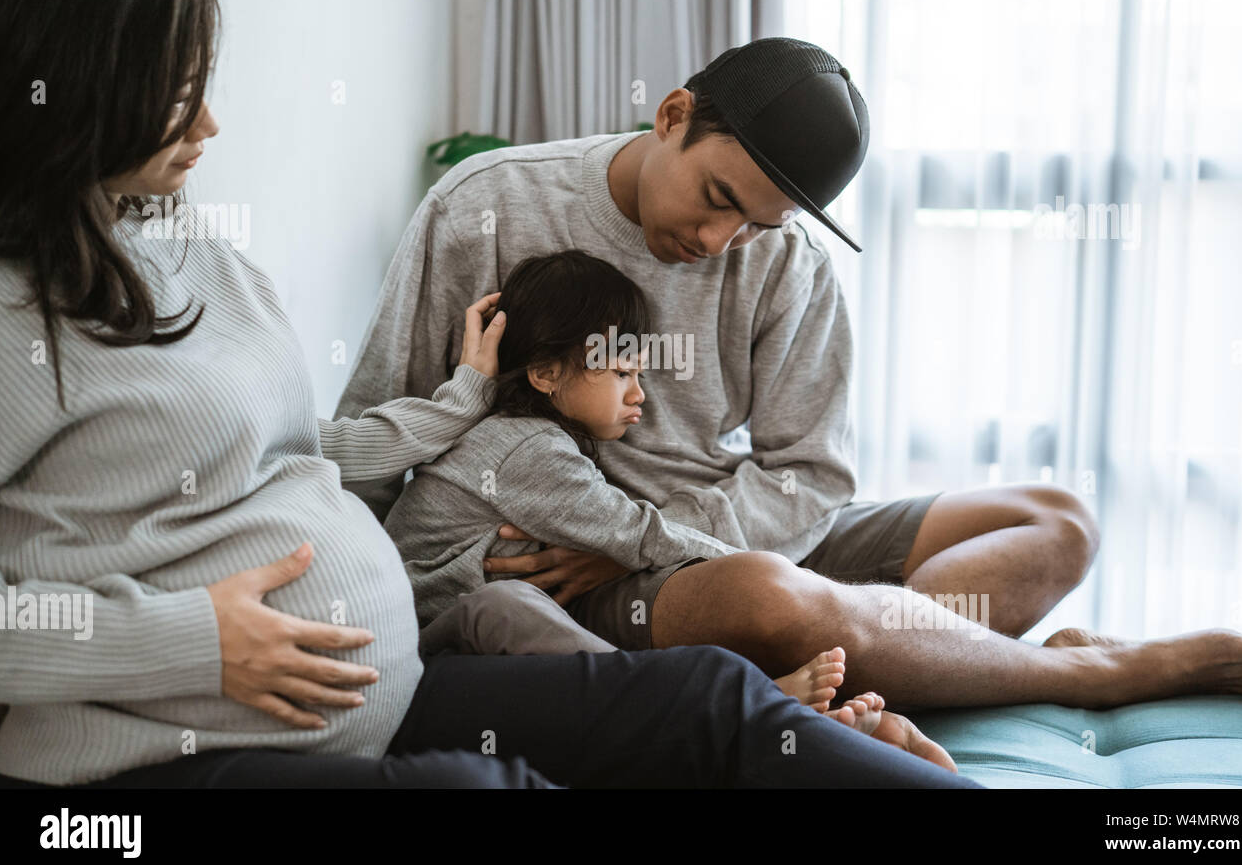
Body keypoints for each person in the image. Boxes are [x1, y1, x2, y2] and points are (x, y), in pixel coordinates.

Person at [0, 0, 979, 789]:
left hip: (373, 692)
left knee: (707, 698)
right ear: (76, 92)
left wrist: (459, 400)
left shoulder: (191, 245)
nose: (211, 124)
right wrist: (189, 638)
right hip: (137, 771)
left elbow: (306, 447)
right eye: (175, 95)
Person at [336, 37, 1242, 710]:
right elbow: (379, 424)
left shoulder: (785, 261)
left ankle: (928, 651)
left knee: (1054, 522)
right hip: (577, 569)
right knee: (770, 599)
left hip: (711, 533)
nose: (720, 241)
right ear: (672, 115)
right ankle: (1089, 673)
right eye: (717, 199)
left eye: (756, 223)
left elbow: (814, 474)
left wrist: (661, 541)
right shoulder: (489, 205)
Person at [388, 249, 943, 757]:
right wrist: (757, 565)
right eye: (622, 372)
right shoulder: (528, 448)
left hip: (472, 646)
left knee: (529, 614)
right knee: (504, 606)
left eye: (641, 374)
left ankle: (721, 701)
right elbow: (642, 535)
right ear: (545, 373)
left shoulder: (529, 440)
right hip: (428, 641)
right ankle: (731, 704)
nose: (639, 394)